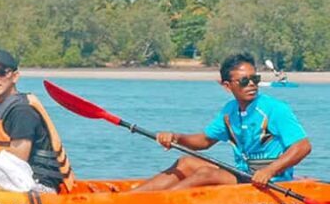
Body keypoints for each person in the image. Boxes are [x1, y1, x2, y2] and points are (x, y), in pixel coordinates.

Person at [133, 53, 312, 192]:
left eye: (255, 79)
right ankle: (129, 198)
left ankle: (160, 203)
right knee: (186, 163)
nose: (251, 84)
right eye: (244, 81)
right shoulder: (229, 110)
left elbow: (303, 146)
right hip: (243, 174)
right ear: (227, 86)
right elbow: (204, 141)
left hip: (271, 181)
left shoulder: (275, 109)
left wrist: (269, 172)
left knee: (206, 174)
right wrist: (176, 137)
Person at [0, 49, 75, 194]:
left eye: (1, 72)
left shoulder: (22, 111)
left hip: (37, 184)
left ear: (14, 77)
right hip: (14, 175)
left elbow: (18, 160)